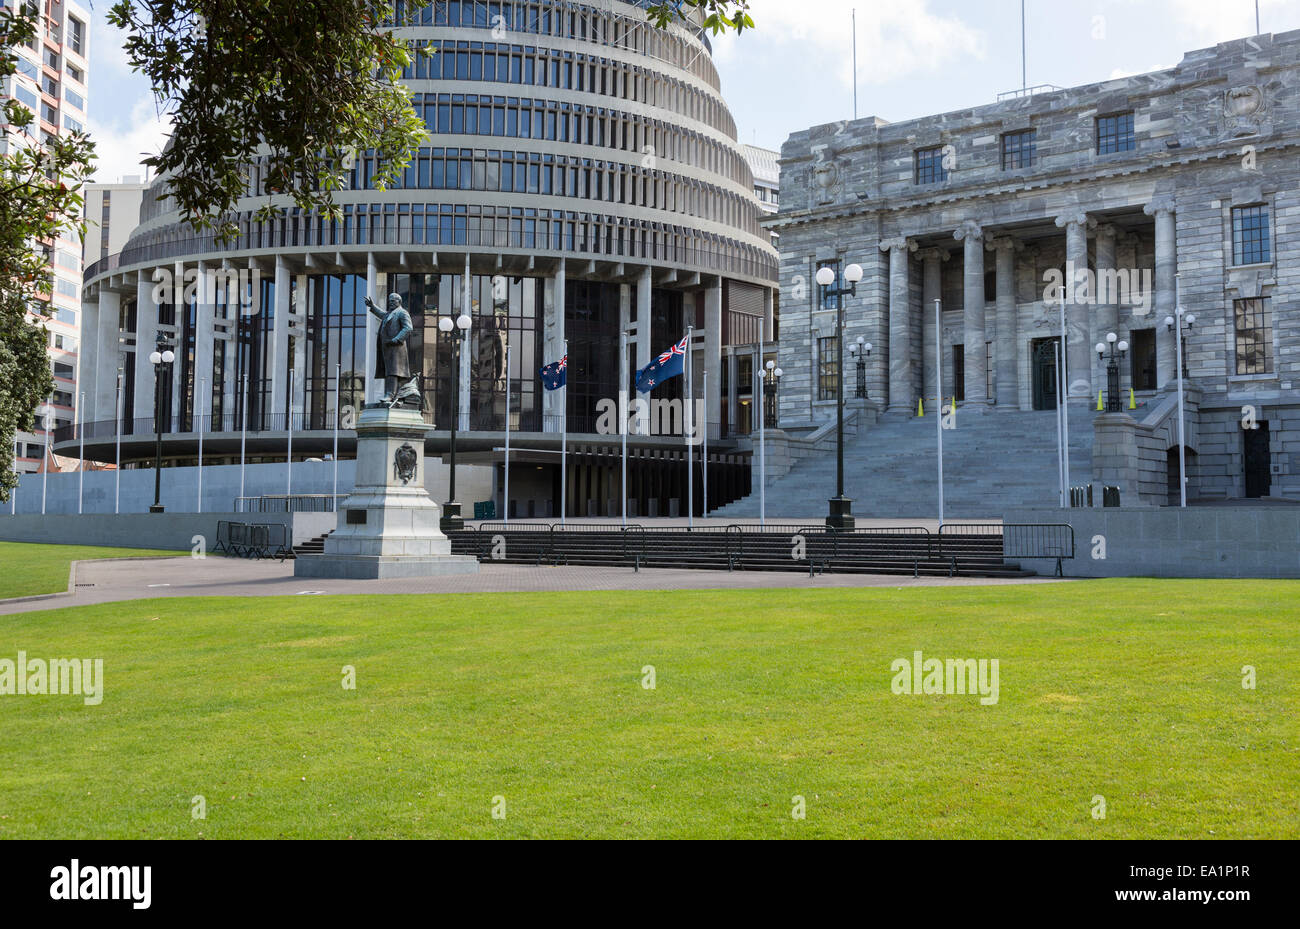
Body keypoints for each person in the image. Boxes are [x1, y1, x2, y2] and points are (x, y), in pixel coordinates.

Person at [365, 293, 414, 403]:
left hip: (396, 348)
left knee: (393, 371)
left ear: (399, 302)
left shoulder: (402, 312)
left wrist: (396, 339)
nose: (391, 302)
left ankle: (390, 394)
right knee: (389, 371)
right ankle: (393, 394)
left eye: (393, 300)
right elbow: (382, 314)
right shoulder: (390, 314)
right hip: (388, 348)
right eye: (390, 300)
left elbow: (408, 328)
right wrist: (372, 306)